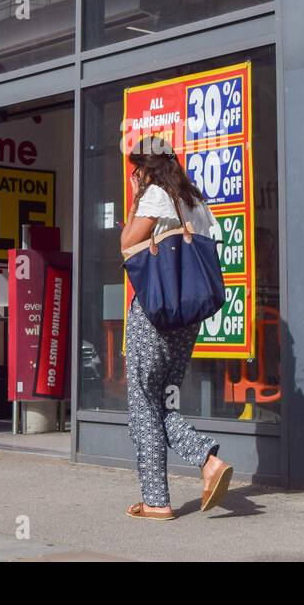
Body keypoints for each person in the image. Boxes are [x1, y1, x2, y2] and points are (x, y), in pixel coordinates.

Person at [119, 135, 232, 520]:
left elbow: (126, 242)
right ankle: (205, 464)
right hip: (187, 317)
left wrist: (136, 198)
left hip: (155, 311)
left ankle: (160, 498)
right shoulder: (196, 202)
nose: (135, 173)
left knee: (143, 402)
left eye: (138, 167)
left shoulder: (154, 196)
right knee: (161, 399)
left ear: (149, 167)